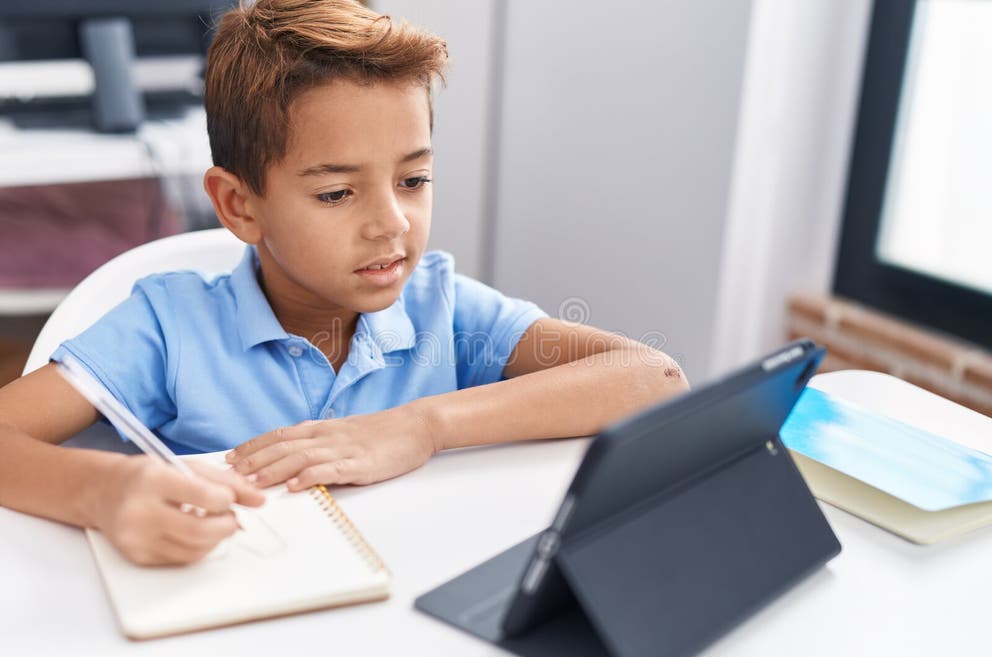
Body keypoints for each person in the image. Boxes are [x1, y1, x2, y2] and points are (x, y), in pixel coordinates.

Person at [0, 0, 688, 567]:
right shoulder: (166, 326)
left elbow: (651, 377)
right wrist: (102, 492)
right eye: (336, 194)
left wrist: (423, 426)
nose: (391, 224)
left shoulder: (441, 306)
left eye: (413, 180)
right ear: (240, 204)